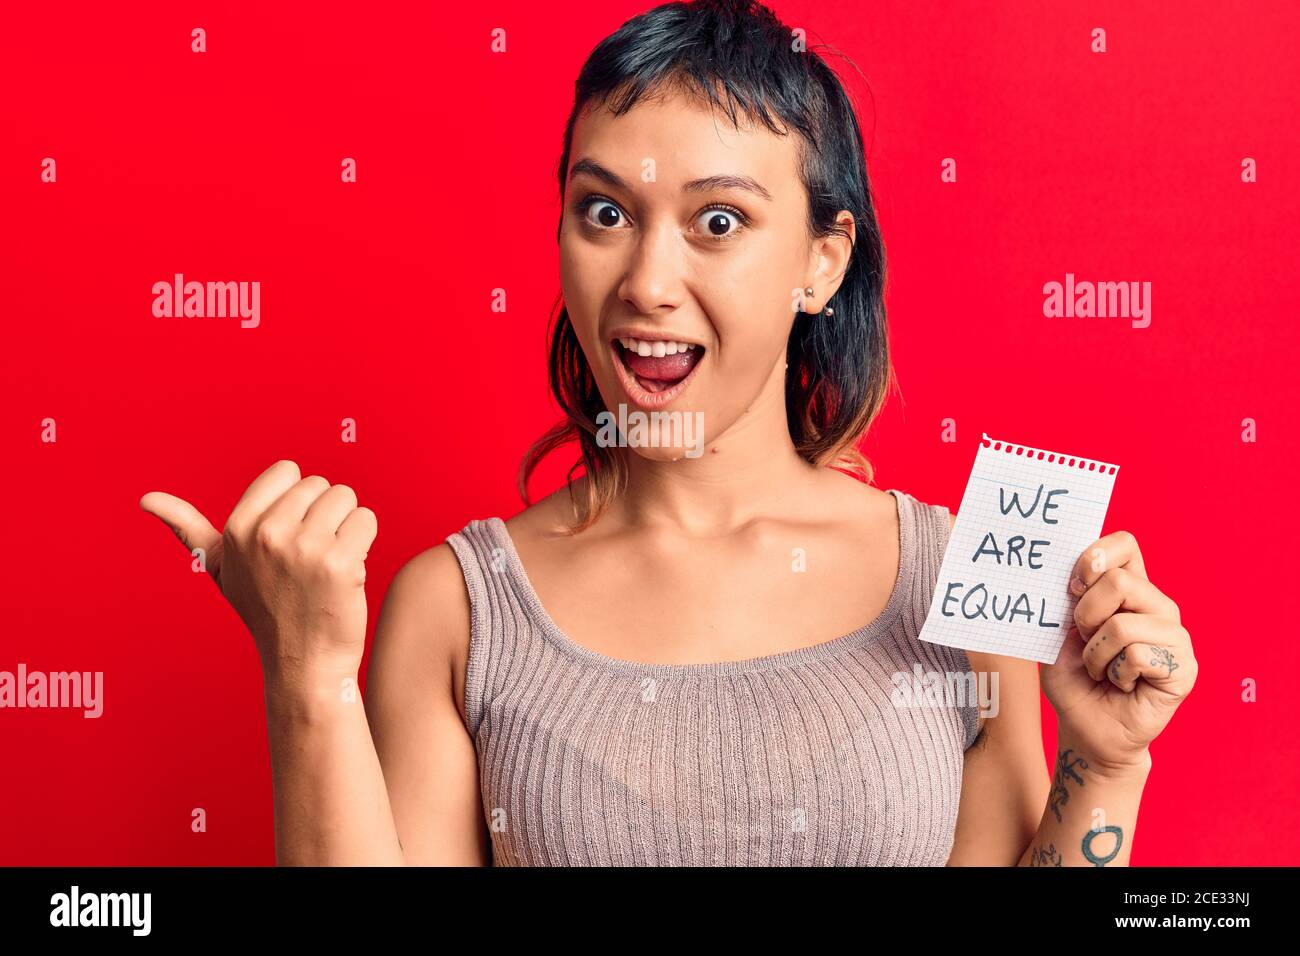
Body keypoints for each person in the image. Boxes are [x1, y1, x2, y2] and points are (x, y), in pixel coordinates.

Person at [139, 0, 1196, 866]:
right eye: (604, 212)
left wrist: (1104, 765)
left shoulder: (959, 590)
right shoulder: (454, 611)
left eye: (717, 222)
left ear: (822, 261)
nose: (645, 283)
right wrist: (308, 678)